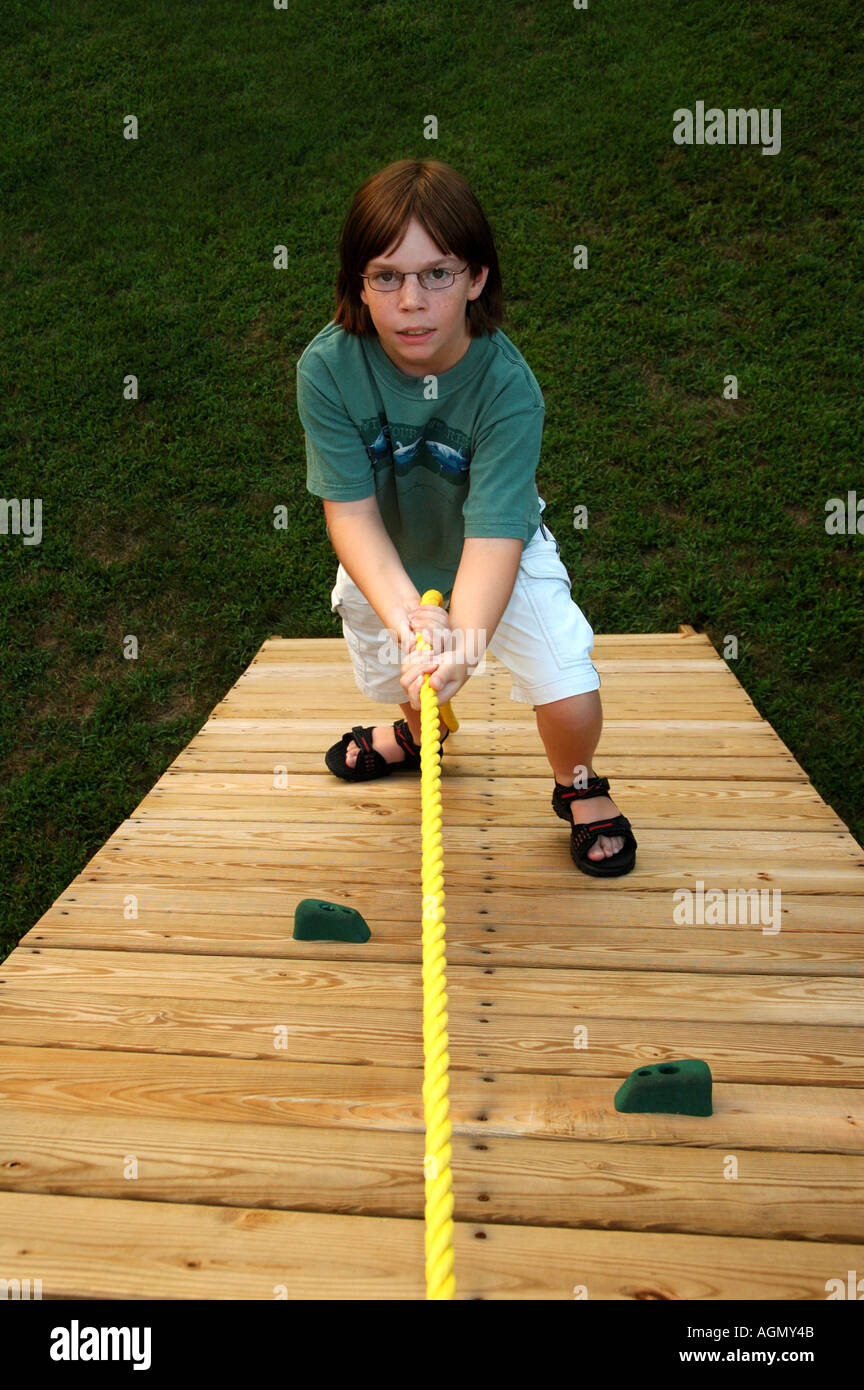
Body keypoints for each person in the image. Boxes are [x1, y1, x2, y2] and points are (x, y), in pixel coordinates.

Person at [296, 159, 636, 877]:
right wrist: (412, 621)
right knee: (409, 678)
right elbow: (351, 516)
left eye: (437, 275)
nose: (411, 301)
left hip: (495, 551)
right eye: (386, 276)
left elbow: (495, 531)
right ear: (358, 282)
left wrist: (466, 641)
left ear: (476, 278)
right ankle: (422, 738)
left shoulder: (509, 388)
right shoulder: (326, 370)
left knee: (570, 688)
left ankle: (578, 783)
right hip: (386, 561)